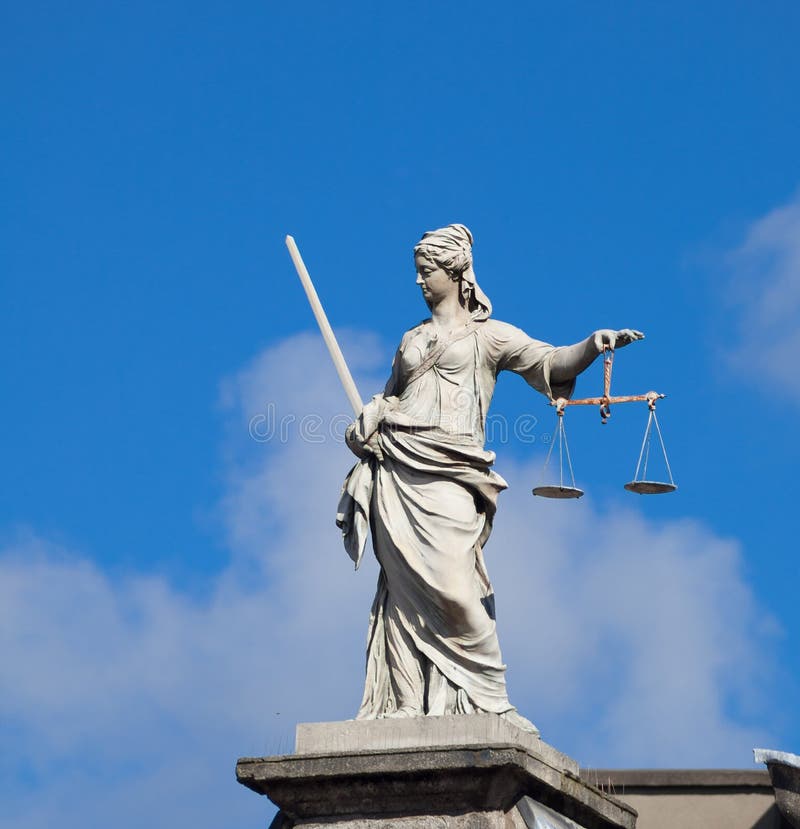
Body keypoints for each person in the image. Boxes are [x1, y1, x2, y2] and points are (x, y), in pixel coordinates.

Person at [337, 224, 642, 733]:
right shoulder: (411, 339)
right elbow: (390, 398)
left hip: (453, 472)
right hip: (399, 468)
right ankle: (407, 703)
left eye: (427, 271)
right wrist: (367, 424)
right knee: (403, 594)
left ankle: (489, 700)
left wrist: (592, 344)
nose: (419, 281)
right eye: (416, 271)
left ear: (455, 272)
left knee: (456, 589)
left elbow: (549, 362)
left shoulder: (489, 337)